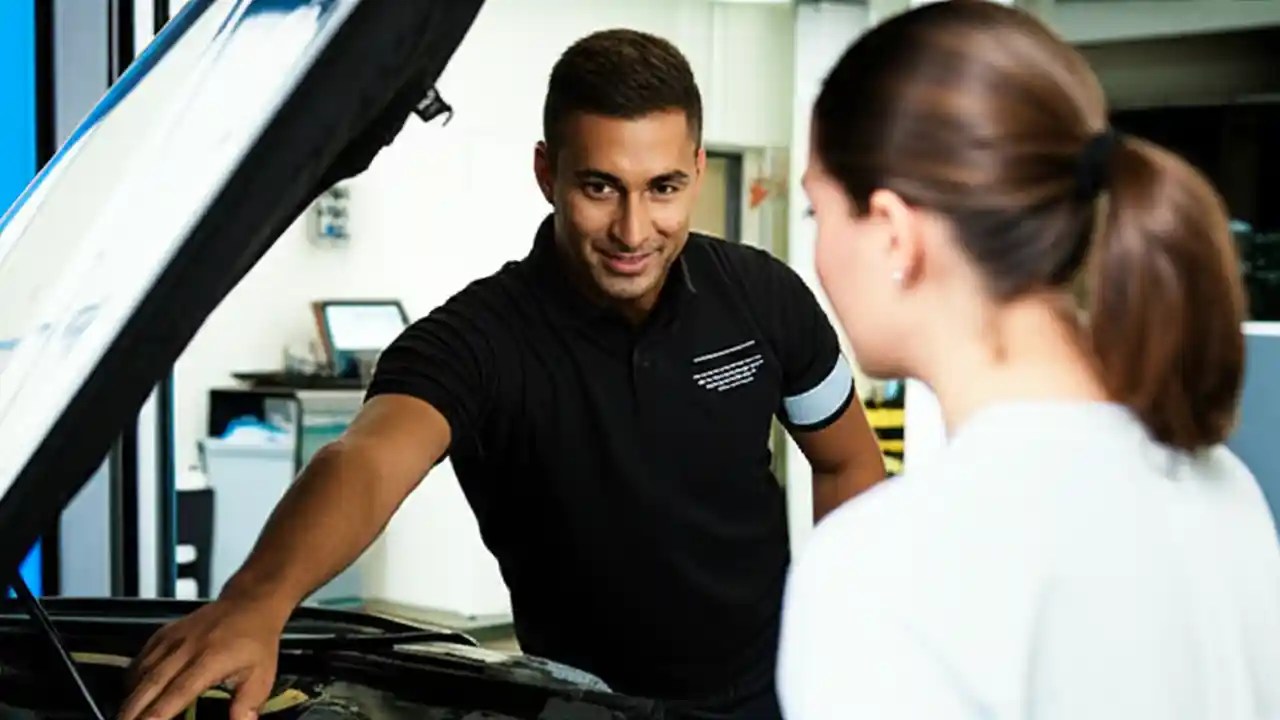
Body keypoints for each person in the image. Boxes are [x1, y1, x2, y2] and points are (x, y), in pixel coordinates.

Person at [120, 28, 886, 720]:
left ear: (693, 168)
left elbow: (848, 459)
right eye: (599, 187)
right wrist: (261, 599)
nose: (632, 229)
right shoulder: (475, 342)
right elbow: (366, 460)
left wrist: (847, 634)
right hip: (580, 707)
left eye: (662, 188)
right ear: (546, 171)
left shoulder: (765, 299)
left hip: (770, 694)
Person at [776, 2, 1280, 718]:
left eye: (816, 213)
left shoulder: (881, 566)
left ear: (892, 233)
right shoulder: (1228, 493)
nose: (818, 250)